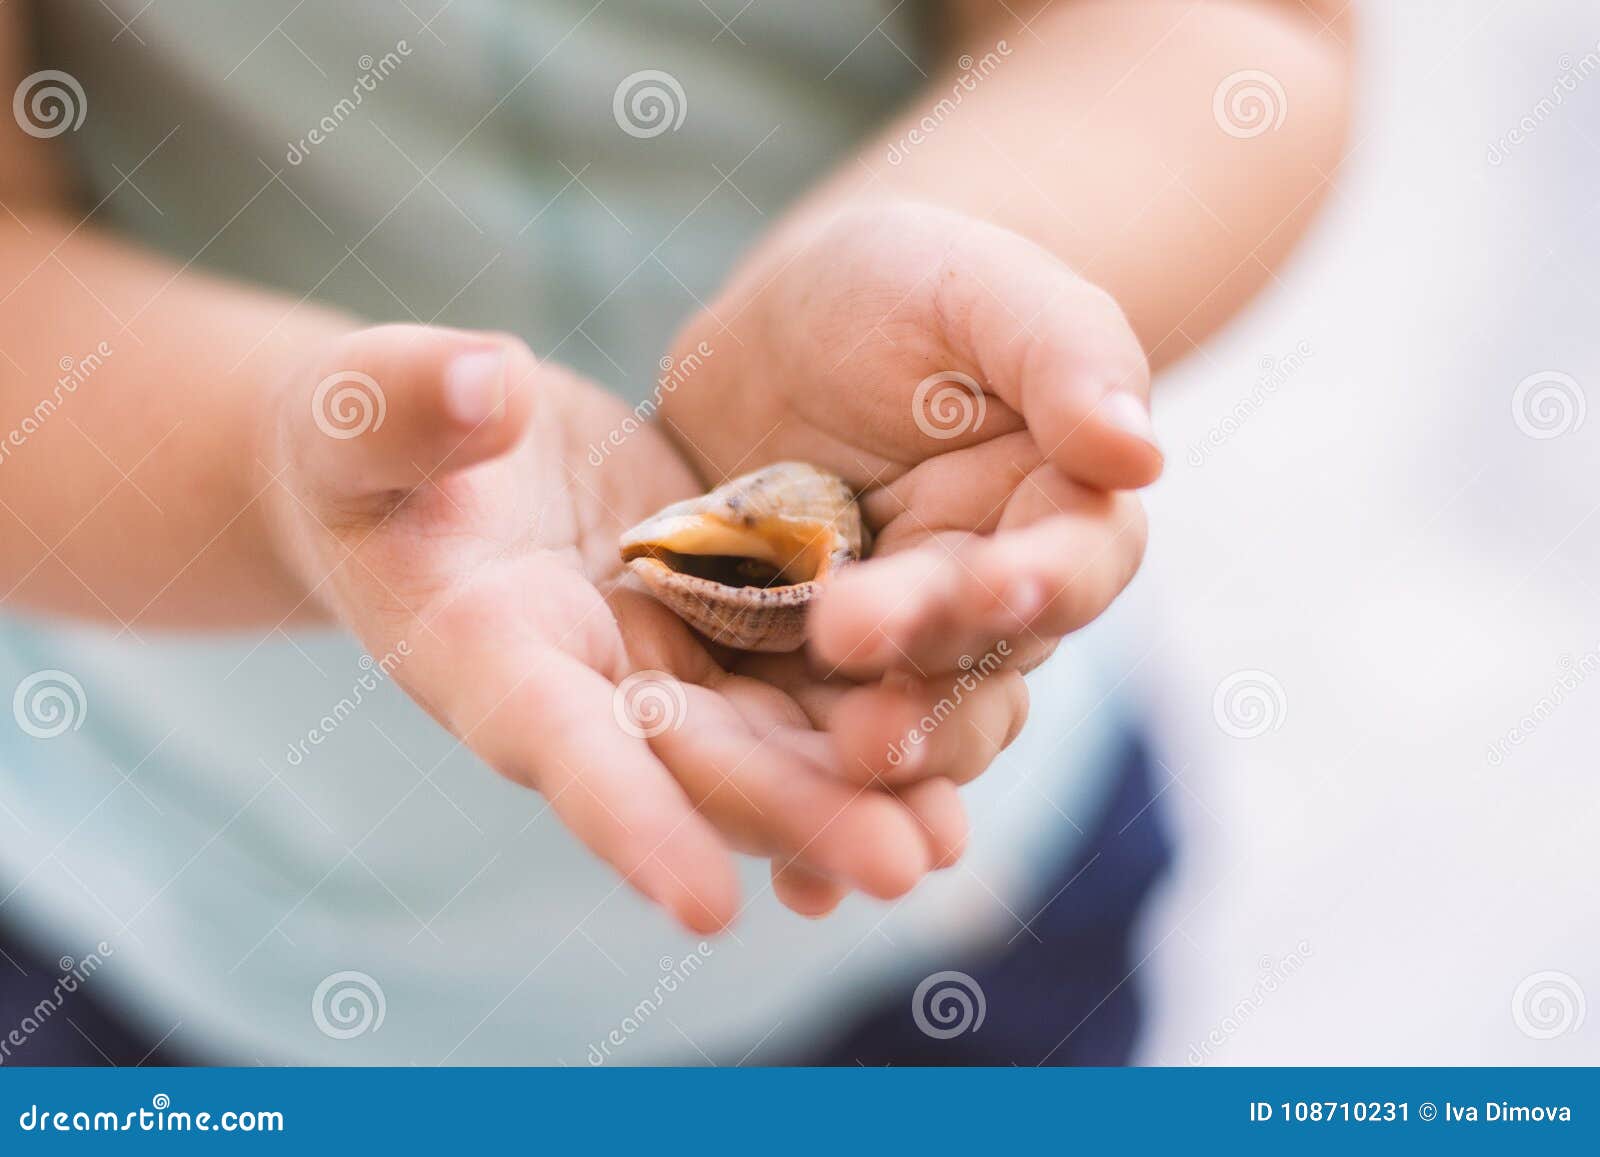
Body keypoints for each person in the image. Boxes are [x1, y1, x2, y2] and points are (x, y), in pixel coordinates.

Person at [0, 0, 1351, 1065]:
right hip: (175, 941)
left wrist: (974, 260)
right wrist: (271, 466)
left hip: (967, 912)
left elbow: (1232, 25)